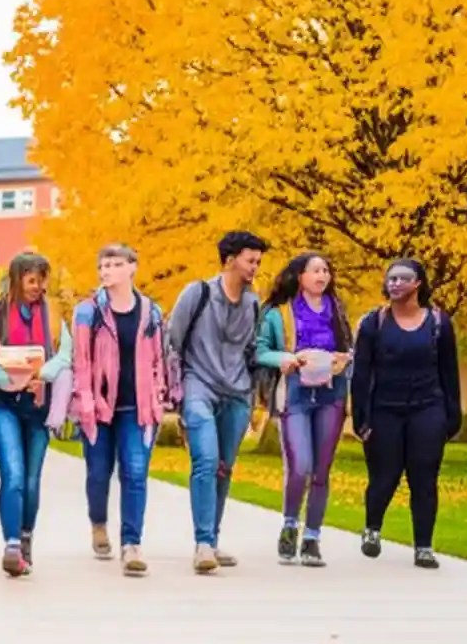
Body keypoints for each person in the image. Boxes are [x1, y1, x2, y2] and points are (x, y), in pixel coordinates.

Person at [166, 230, 267, 574]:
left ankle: (212, 538)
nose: (255, 267)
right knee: (206, 461)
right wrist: (174, 392)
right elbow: (172, 341)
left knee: (224, 467)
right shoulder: (198, 293)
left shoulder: (254, 304)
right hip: (199, 387)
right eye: (250, 260)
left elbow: (253, 351)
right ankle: (203, 544)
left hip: (237, 394)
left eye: (258, 261)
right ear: (229, 260)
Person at [351, 258, 461, 570]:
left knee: (424, 478)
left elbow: (449, 372)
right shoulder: (375, 323)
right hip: (385, 410)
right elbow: (361, 374)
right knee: (384, 477)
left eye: (403, 278)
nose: (395, 283)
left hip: (428, 408)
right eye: (391, 279)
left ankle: (423, 547)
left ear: (418, 284)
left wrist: (452, 417)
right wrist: (361, 418)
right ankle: (372, 529)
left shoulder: (439, 323)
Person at [71, 243, 171, 577]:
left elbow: (158, 357)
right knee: (98, 474)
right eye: (103, 265)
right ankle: (98, 522)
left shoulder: (150, 312)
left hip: (137, 407)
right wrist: (85, 401)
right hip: (99, 407)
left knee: (135, 472)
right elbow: (81, 362)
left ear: (132, 268)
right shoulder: (88, 312)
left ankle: (131, 544)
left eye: (114, 264)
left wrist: (159, 394)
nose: (107, 271)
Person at [254, 253, 354, 566]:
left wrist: (343, 358)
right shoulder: (278, 313)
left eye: (326, 270)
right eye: (315, 270)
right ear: (300, 276)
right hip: (295, 393)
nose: (322, 275)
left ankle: (312, 537)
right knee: (301, 466)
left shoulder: (336, 309)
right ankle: (289, 526)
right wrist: (283, 359)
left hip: (330, 392)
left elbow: (349, 347)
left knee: (321, 471)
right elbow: (259, 350)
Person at [0, 253, 73, 576]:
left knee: (32, 481)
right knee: (14, 474)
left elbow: (65, 355)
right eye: (32, 280)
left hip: (38, 406)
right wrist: (10, 379)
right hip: (3, 403)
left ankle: (26, 536)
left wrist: (40, 375)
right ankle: (11, 544)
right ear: (17, 279)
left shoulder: (55, 313)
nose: (38, 288)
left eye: (42, 280)